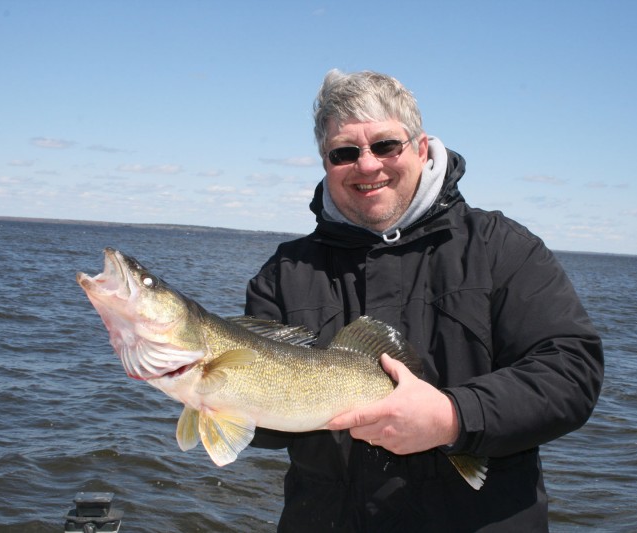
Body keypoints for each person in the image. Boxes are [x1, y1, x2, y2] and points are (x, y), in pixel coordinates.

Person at [245, 69, 605, 532]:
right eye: (344, 152)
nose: (367, 164)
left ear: (420, 147)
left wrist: (454, 418)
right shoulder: (284, 273)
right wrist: (194, 384)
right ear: (325, 162)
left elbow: (571, 372)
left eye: (385, 145)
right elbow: (266, 428)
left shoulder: (502, 248)